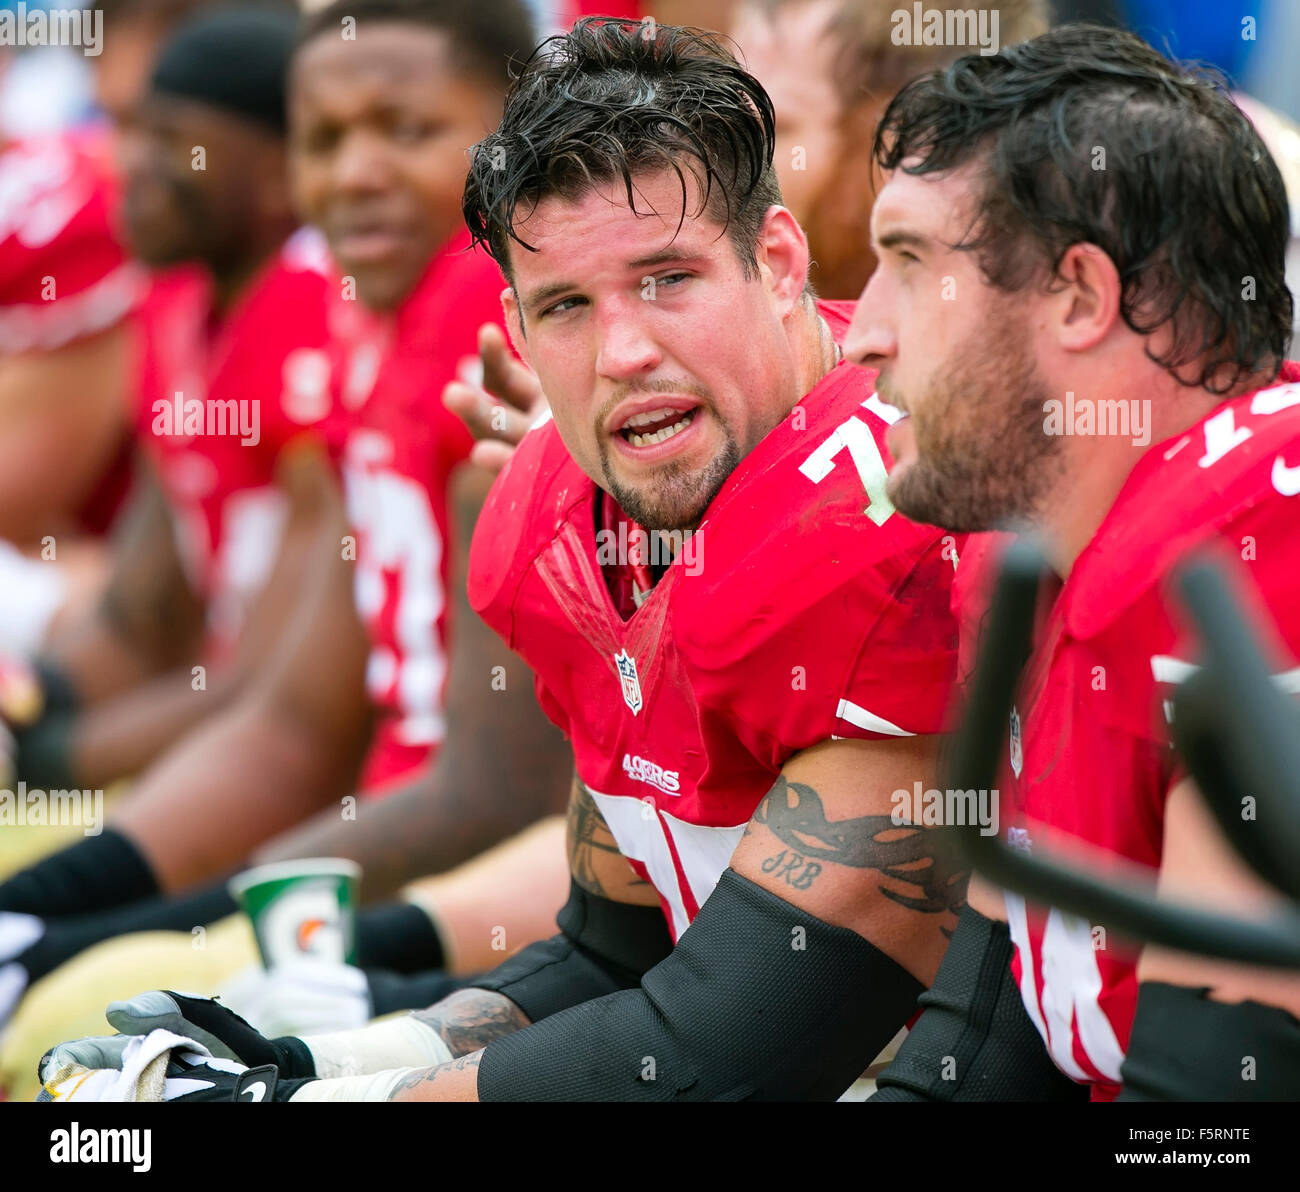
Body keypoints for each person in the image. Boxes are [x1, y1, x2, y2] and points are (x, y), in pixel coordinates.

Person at [44, 17, 968, 1104]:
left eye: (668, 278)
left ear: (774, 262)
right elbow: (608, 950)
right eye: (567, 305)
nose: (623, 352)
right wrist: (312, 1057)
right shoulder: (553, 513)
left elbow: (725, 1051)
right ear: (518, 333)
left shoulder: (891, 516)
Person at [1, 0, 571, 1050]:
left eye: (405, 130)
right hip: (371, 840)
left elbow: (494, 785)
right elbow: (280, 711)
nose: (355, 172)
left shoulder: (503, 334)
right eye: (326, 137)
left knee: (77, 1022)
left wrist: (145, 923)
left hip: (482, 891)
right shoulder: (367, 325)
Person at [834, 24, 1300, 1101]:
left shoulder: (1249, 546)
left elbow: (1212, 1120)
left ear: (1080, 296)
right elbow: (979, 1055)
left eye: (907, 262)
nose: (861, 332)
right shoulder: (1040, 561)